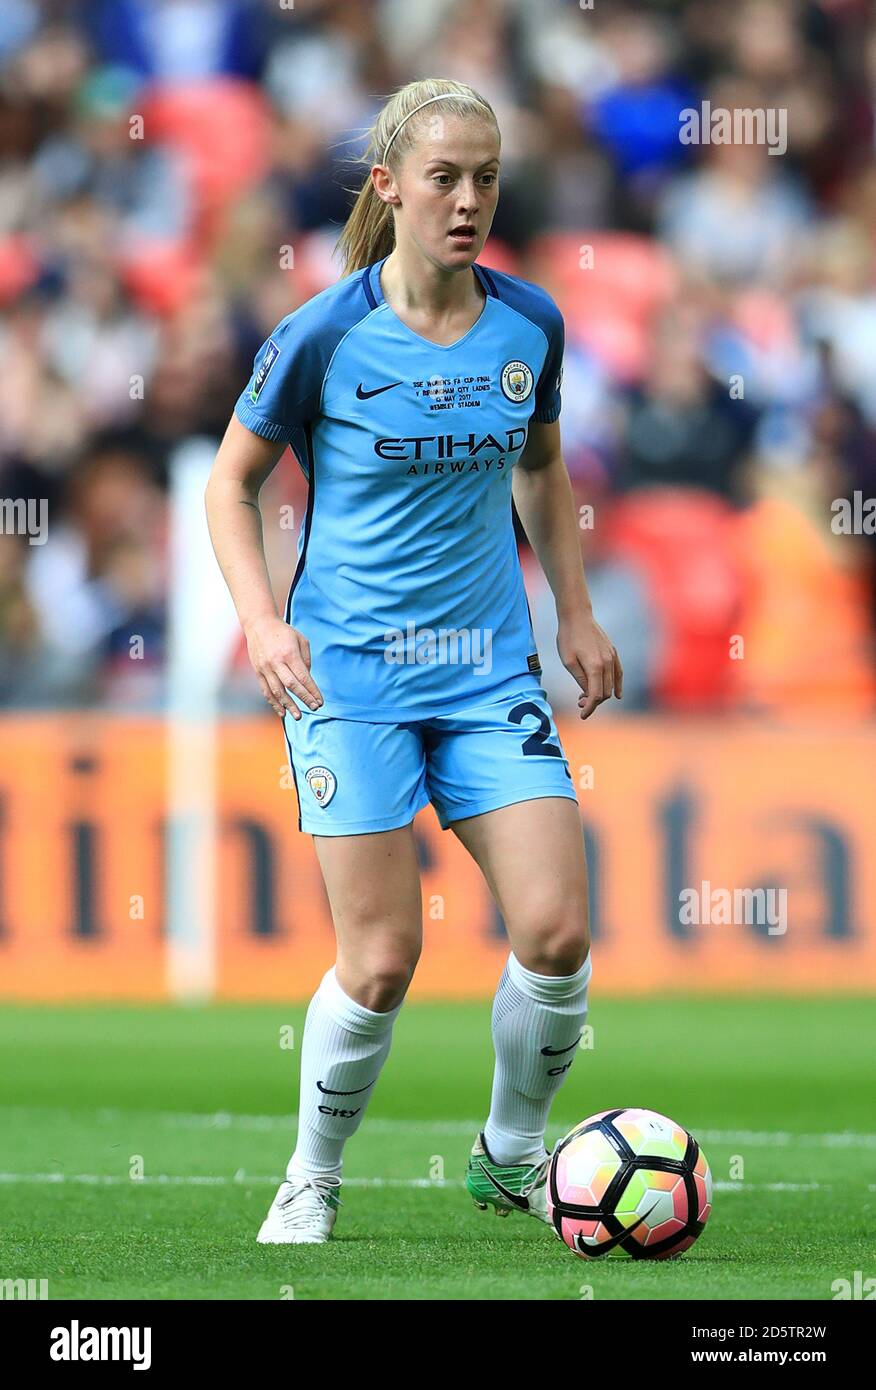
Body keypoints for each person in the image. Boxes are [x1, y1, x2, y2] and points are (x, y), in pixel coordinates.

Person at [205, 77, 622, 1245]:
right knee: (383, 959)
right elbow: (229, 483)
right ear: (389, 188)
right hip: (351, 680)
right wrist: (261, 620)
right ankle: (312, 1174)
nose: (469, 199)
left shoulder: (528, 323)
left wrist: (574, 618)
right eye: (444, 176)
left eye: (486, 177)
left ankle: (509, 1153)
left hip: (488, 673)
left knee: (556, 937)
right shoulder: (325, 332)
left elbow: (541, 465)